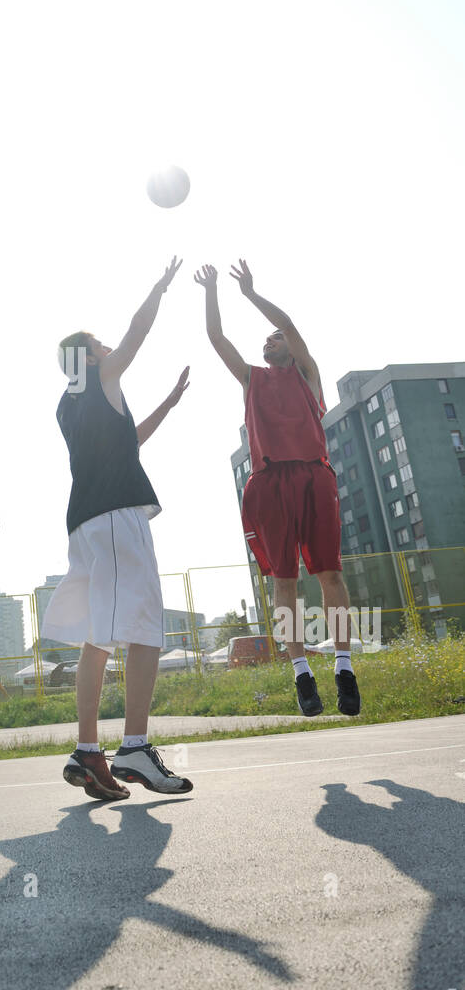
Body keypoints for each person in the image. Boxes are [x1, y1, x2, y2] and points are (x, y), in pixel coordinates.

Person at [43, 257, 194, 800]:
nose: (111, 348)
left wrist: (168, 406)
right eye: (101, 344)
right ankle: (133, 746)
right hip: (113, 520)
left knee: (100, 636)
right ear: (89, 357)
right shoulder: (101, 379)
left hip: (88, 521)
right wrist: (159, 286)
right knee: (146, 627)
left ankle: (89, 753)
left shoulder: (70, 402)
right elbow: (138, 332)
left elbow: (125, 446)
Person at [194, 259, 360, 718]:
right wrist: (212, 291)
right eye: (266, 340)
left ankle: (344, 668)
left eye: (275, 338)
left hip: (313, 474)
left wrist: (250, 294)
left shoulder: (308, 374)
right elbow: (216, 338)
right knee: (284, 583)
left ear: (291, 346)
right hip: (270, 483)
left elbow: (287, 323)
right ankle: (302, 673)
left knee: (331, 575)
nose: (270, 340)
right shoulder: (252, 378)